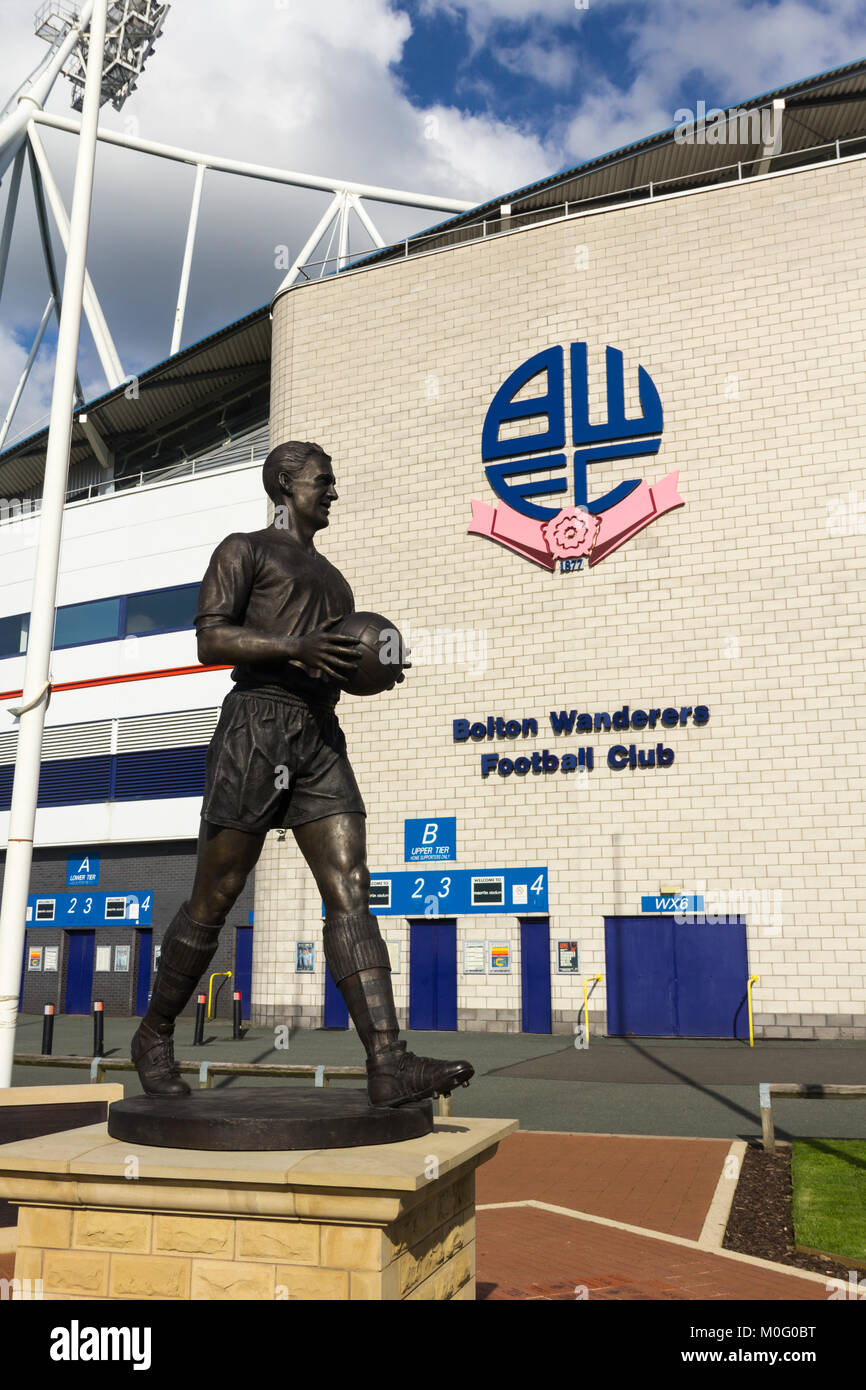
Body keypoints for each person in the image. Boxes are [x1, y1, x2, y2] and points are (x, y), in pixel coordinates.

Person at [131, 440, 474, 1108]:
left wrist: (376, 669)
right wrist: (296, 646)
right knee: (218, 892)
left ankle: (388, 1062)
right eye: (324, 480)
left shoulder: (338, 583)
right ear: (286, 483)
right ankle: (153, 1033)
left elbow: (340, 661)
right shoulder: (244, 549)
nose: (333, 492)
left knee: (351, 885)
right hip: (256, 723)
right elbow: (210, 639)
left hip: (317, 734)